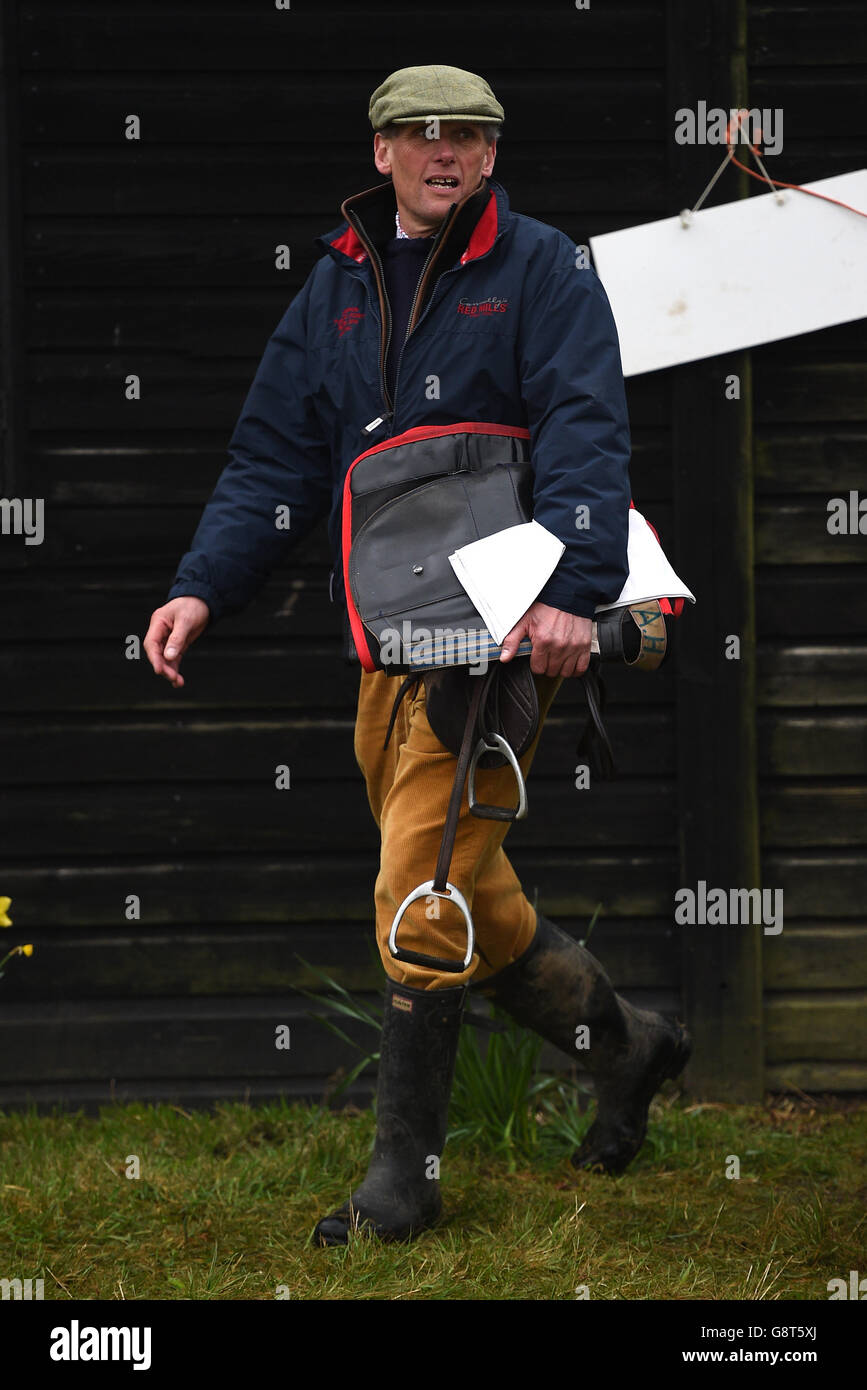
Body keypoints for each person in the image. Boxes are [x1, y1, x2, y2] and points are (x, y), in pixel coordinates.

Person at [143, 65, 692, 1247]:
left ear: (492, 157)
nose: (445, 151)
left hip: (500, 635)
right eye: (421, 133)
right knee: (474, 887)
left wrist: (573, 595)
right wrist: (202, 584)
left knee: (421, 877)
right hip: (387, 637)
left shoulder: (545, 268)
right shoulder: (335, 286)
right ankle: (632, 1046)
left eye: (470, 137)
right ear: (383, 150)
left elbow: (587, 425)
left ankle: (407, 1180)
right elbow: (271, 458)